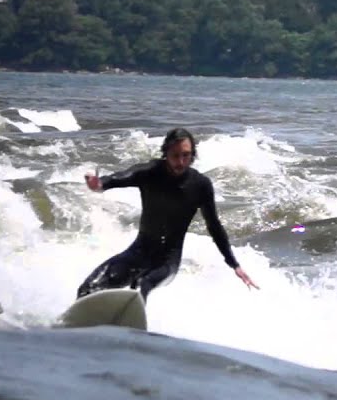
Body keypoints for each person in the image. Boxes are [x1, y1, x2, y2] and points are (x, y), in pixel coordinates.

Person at [79, 128, 258, 300]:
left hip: (167, 261)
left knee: (141, 285)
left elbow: (214, 227)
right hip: (139, 252)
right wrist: (100, 184)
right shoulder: (149, 172)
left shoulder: (200, 185)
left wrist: (234, 264)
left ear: (192, 154)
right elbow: (120, 177)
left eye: (186, 155)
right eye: (175, 156)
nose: (180, 162)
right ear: (166, 154)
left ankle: (132, 328)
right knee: (87, 289)